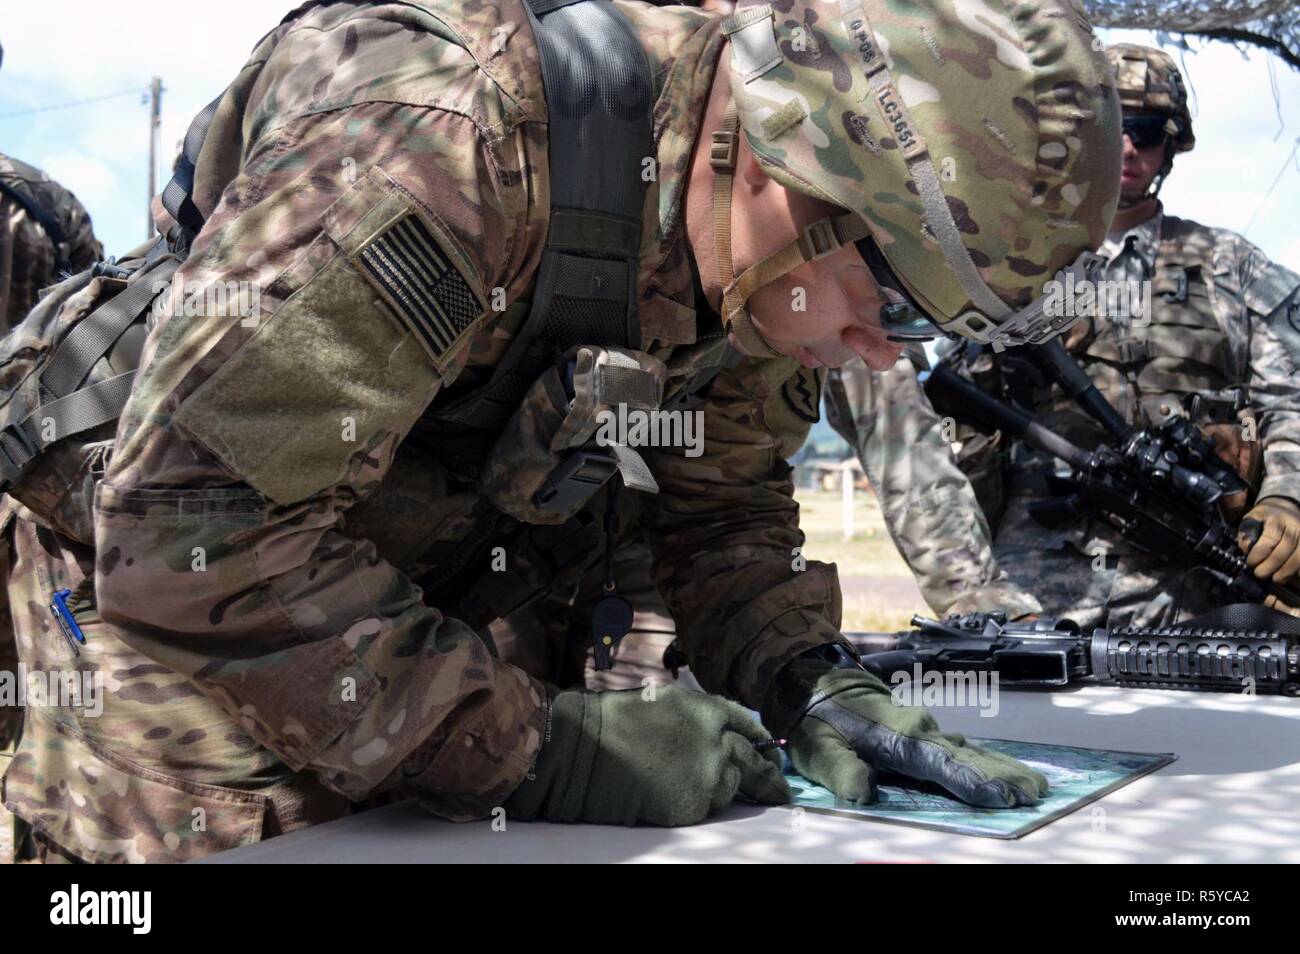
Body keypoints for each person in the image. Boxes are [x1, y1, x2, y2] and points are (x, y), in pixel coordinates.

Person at [2, 0, 1120, 861]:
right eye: (895, 300)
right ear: (793, 166)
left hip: (416, 612)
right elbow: (190, 532)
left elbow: (717, 505)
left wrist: (805, 680)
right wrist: (540, 749)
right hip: (168, 621)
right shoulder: (442, 137)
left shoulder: (751, 259)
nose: (884, 353)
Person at [890, 42, 1300, 632]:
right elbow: (947, 413)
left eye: (1147, 129)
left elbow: (1290, 399)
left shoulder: (1229, 267)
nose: (1129, 146)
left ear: (1172, 143)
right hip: (1042, 583)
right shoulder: (1017, 264)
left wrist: (1285, 494)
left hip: (1198, 586)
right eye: (1112, 127)